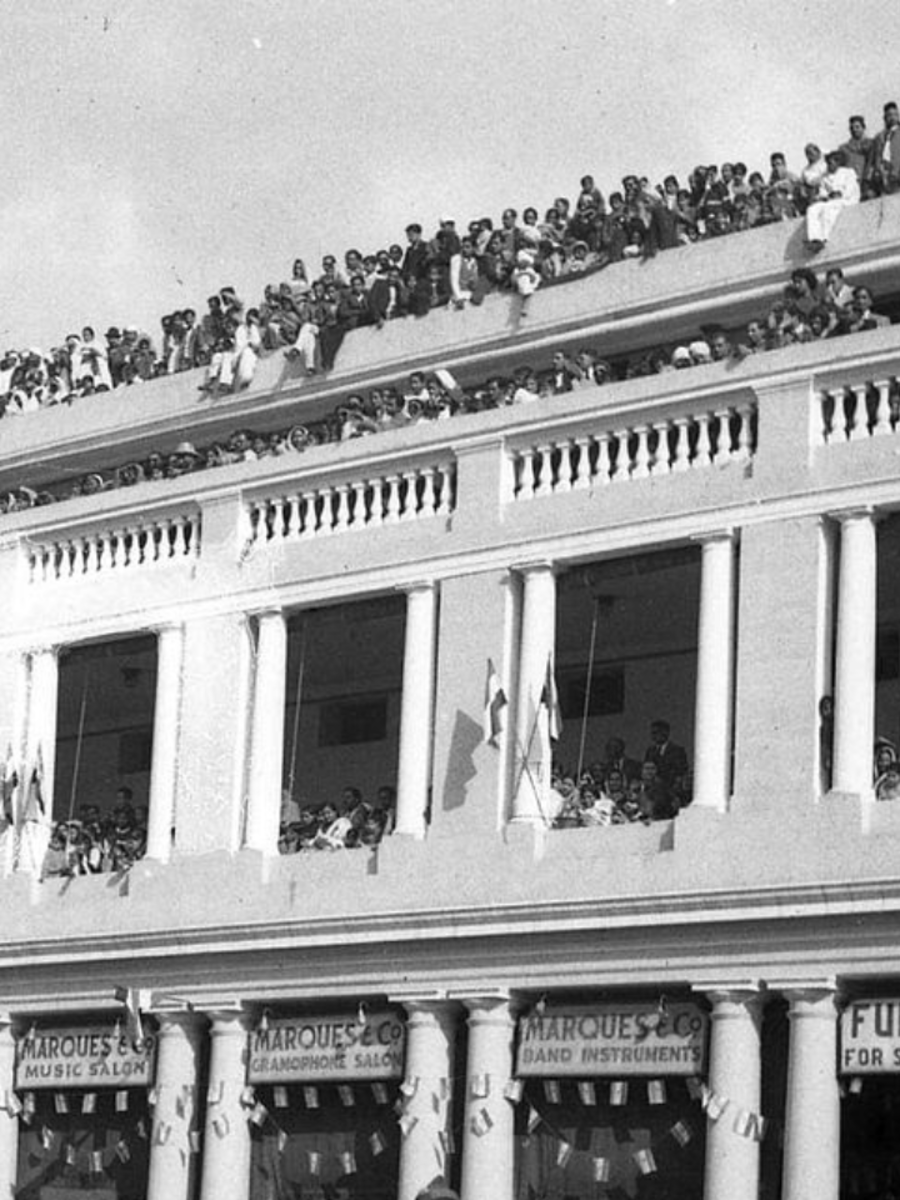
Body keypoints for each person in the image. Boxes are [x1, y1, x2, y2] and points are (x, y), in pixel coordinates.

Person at [805, 148, 860, 251]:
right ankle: (814, 238)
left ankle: (824, 237)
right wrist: (823, 197)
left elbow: (851, 189)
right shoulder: (825, 177)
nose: (830, 164)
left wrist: (840, 194)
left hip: (847, 201)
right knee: (812, 209)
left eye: (833, 161)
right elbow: (823, 193)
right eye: (828, 162)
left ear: (838, 162)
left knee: (828, 210)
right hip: (831, 201)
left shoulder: (848, 173)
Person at [644, 720, 689, 790]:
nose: (653, 736)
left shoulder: (677, 751)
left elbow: (681, 771)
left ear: (665, 733)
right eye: (652, 733)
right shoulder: (650, 751)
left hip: (671, 788)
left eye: (656, 733)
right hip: (653, 789)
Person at [871, 101, 900, 195]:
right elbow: (877, 156)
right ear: (884, 118)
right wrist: (877, 171)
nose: (892, 118)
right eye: (889, 115)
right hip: (884, 177)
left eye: (895, 114)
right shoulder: (880, 136)